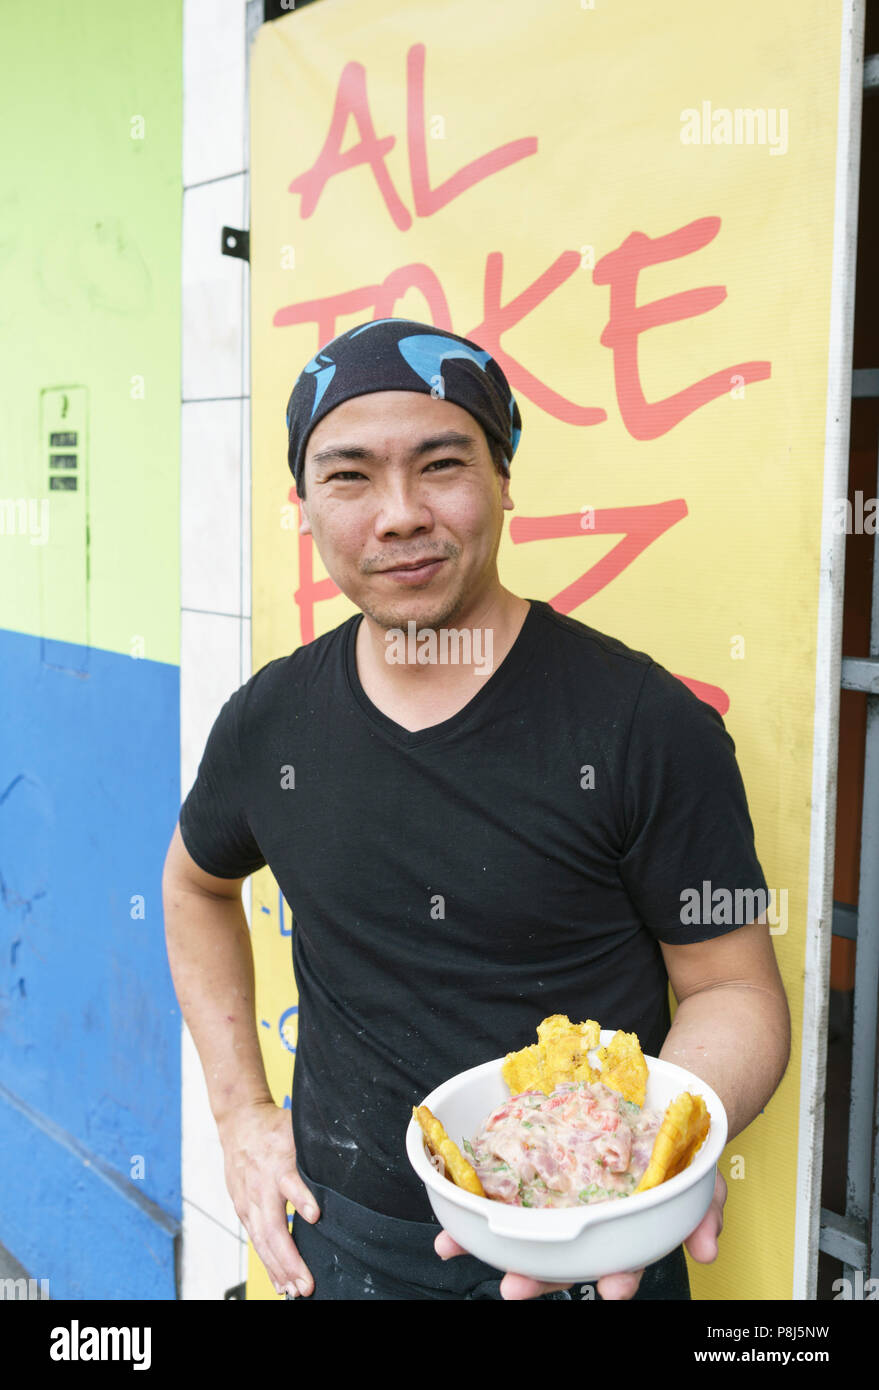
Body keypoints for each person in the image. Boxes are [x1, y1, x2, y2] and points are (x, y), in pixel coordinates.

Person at [162, 317, 790, 1301]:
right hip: (345, 1241)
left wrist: (663, 1151)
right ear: (306, 504)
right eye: (350, 476)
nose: (400, 513)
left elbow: (734, 990)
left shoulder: (643, 724)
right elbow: (195, 885)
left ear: (503, 479)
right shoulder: (270, 724)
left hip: (592, 1244)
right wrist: (240, 1114)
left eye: (441, 464)